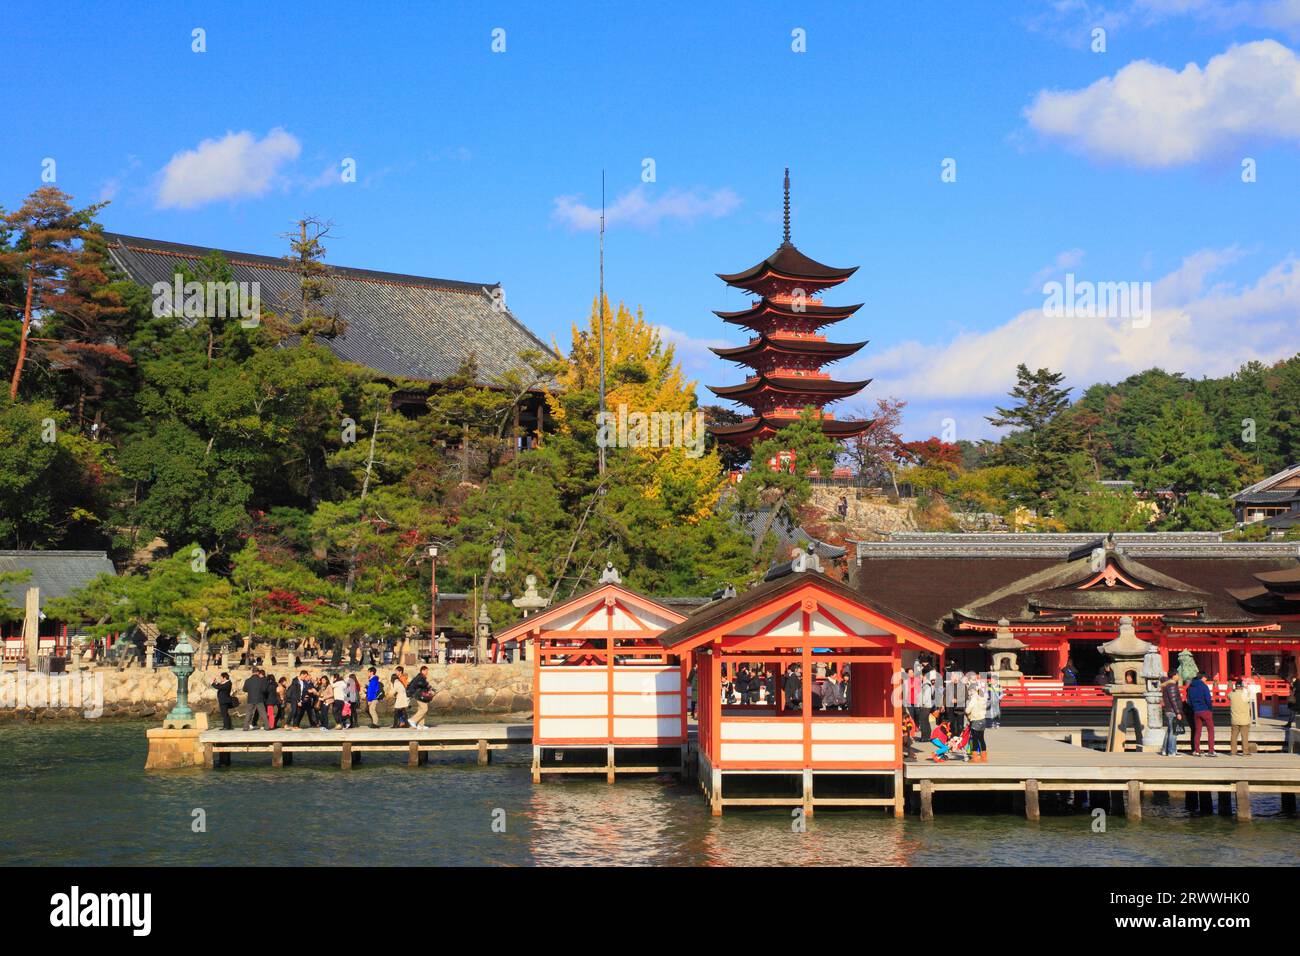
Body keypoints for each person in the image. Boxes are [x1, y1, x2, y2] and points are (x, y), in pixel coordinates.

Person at [1186, 671, 1215, 756]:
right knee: (1210, 730)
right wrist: (1210, 708)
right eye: (1206, 678)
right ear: (1203, 677)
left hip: (1196, 711)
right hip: (1205, 710)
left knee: (1198, 731)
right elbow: (1208, 699)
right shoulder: (1203, 686)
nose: (1206, 680)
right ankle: (1211, 750)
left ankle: (1197, 750)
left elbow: (1189, 701)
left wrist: (1194, 708)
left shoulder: (1190, 687)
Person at [1160, 670, 1183, 756]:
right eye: (1177, 675)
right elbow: (1173, 700)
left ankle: (1165, 750)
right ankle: (1171, 751)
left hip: (1169, 710)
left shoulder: (1167, 685)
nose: (1178, 676)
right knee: (1173, 732)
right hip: (1172, 710)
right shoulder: (1172, 685)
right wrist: (1178, 712)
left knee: (1169, 731)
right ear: (1174, 675)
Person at [966, 680, 988, 762]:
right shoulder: (983, 698)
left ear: (973, 690)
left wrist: (966, 710)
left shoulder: (974, 698)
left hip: (975, 720)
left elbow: (968, 710)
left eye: (969, 690)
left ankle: (975, 758)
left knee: (975, 739)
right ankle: (984, 757)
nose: (969, 692)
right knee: (981, 739)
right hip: (983, 720)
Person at [1228, 679, 1251, 756]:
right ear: (1242, 686)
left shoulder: (1232, 694)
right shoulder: (1245, 694)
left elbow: (1228, 695)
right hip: (1244, 719)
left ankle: (1233, 751)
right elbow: (1249, 694)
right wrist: (1246, 688)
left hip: (1234, 719)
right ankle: (1245, 751)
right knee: (1244, 737)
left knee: (1234, 736)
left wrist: (1234, 690)